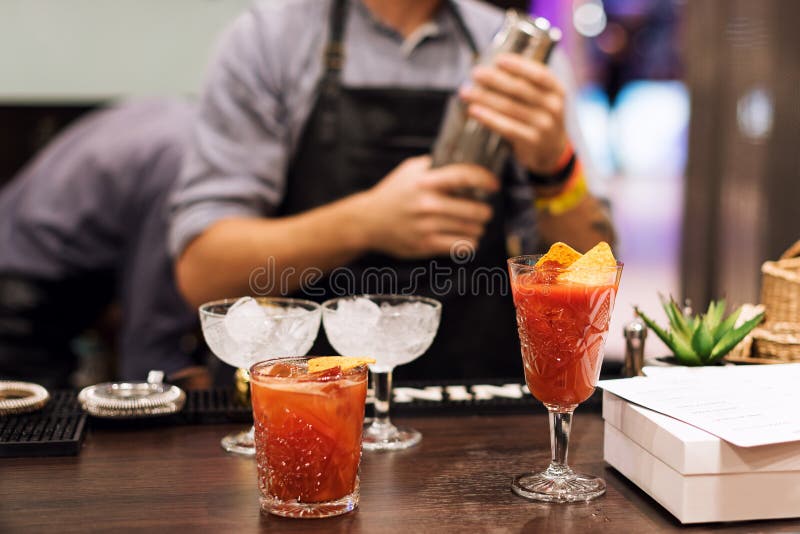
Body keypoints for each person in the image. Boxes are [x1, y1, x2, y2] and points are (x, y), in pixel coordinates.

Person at [169, 0, 616, 380]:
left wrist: (555, 168)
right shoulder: (271, 40)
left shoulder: (518, 56)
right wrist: (365, 223)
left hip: (477, 405)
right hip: (307, 401)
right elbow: (204, 272)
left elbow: (590, 278)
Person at [0, 99, 205, 389]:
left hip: (20, 260)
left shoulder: (174, 114)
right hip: (19, 301)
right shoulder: (187, 163)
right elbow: (149, 346)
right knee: (35, 429)